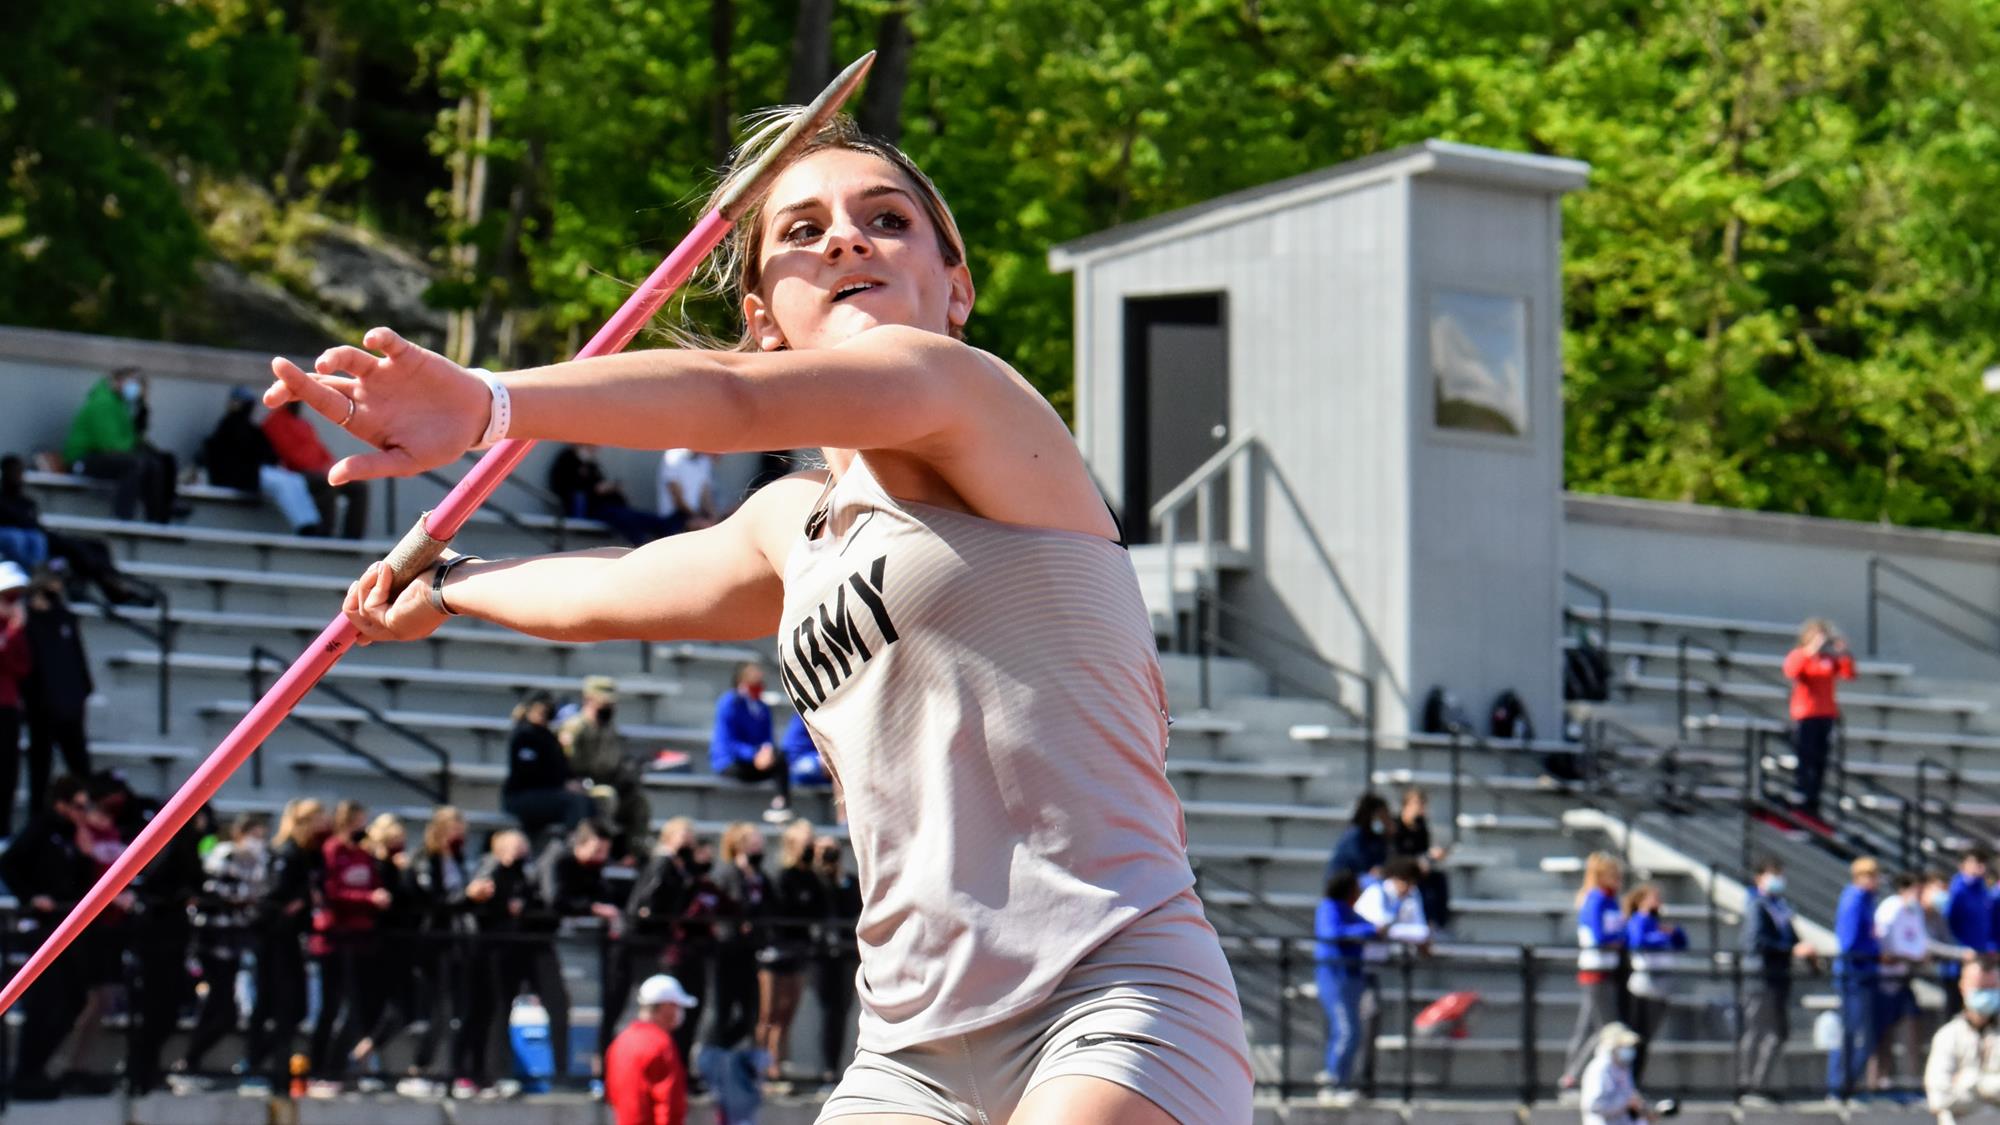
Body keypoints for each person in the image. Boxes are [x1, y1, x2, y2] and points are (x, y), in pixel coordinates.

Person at [296, 107, 1252, 1123]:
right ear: (762, 315)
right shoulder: (788, 527)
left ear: (955, 286)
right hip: (906, 1045)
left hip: (1106, 989)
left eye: (886, 219)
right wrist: (447, 586)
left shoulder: (972, 396)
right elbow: (609, 593)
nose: (844, 237)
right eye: (800, 231)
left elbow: (734, 400)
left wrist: (489, 403)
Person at [0, 776, 107, 1099]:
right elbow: (9, 864)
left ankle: (39, 1068)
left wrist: (87, 854)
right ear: (60, 804)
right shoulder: (42, 828)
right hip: (44, 930)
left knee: (74, 1000)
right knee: (46, 1003)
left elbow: (81, 883)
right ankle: (27, 1074)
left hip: (70, 928)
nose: (82, 812)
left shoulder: (74, 835)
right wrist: (32, 897)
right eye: (77, 806)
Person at [472, 827, 573, 1088]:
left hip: (536, 946)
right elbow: (482, 909)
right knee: (499, 1009)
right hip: (504, 951)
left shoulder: (533, 872)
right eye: (515, 846)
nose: (521, 851)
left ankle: (561, 1072)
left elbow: (549, 904)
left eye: (523, 846)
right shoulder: (490, 871)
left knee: (558, 1004)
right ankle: (498, 1072)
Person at [243, 797, 328, 1090]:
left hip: (291, 940)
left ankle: (271, 1064)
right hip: (274, 941)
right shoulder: (286, 852)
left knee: (295, 1008)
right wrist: (297, 903)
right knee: (272, 1004)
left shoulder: (308, 854)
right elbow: (272, 897)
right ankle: (256, 1064)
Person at [179, 813, 272, 1080]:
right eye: (254, 834)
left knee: (223, 1009)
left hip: (234, 943)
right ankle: (189, 1062)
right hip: (212, 940)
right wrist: (246, 899)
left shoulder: (256, 862)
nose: (258, 841)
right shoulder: (225, 854)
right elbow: (211, 891)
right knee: (220, 1007)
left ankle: (190, 1062)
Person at [310, 799, 390, 1089]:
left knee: (358, 1007)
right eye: (359, 821)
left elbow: (373, 883)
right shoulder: (333, 850)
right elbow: (333, 891)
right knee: (332, 1008)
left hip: (362, 939)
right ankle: (320, 1069)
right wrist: (367, 899)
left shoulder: (364, 853)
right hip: (335, 940)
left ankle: (340, 1067)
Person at [0, 453, 152, 606]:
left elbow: (36, 524)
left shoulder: (27, 502)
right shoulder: (3, 501)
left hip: (44, 538)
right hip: (33, 541)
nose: (18, 477)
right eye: (14, 472)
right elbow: (26, 526)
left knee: (97, 546)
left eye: (20, 472)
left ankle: (110, 581)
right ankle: (108, 585)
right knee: (71, 549)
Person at [405, 806, 476, 1097]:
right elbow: (432, 901)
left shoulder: (458, 860)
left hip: (457, 943)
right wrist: (465, 897)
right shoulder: (425, 860)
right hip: (433, 944)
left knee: (460, 1009)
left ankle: (458, 1072)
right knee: (437, 1010)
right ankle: (420, 1067)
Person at [1738, 858, 1816, 1104]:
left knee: (1778, 1032)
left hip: (1778, 978)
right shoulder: (1756, 906)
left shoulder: (1780, 907)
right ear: (1759, 878)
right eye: (1773, 874)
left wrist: (1802, 949)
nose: (1778, 879)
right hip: (1761, 977)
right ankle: (1749, 1085)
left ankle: (1761, 1083)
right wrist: (1790, 950)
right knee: (1759, 1030)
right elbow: (1756, 943)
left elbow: (1791, 937)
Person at [200, 385, 324, 535]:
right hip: (239, 477)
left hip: (255, 472)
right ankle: (304, 526)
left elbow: (269, 454)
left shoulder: (251, 428)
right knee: (282, 483)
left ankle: (312, 522)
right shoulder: (227, 426)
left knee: (295, 480)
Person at [63, 366, 181, 522]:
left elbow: (134, 437)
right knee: (135, 464)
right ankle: (122, 516)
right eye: (134, 381)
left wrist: (141, 408)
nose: (137, 387)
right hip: (83, 458)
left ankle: (159, 516)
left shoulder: (122, 405)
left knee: (161, 460)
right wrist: (134, 446)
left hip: (106, 453)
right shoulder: (102, 403)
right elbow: (108, 444)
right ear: (117, 380)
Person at [21, 569, 93, 819]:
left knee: (81, 766)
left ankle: (87, 821)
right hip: (41, 708)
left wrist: (84, 690)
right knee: (40, 770)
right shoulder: (26, 621)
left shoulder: (65, 618)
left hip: (71, 705)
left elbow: (79, 660)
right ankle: (37, 821)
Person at [762, 818, 827, 1083]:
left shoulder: (812, 877)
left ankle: (779, 1061)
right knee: (769, 1013)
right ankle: (765, 1063)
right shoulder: (782, 875)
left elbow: (821, 908)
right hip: (776, 953)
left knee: (788, 1012)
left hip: (799, 951)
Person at [561, 674, 651, 857]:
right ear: (589, 700)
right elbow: (564, 764)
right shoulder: (575, 728)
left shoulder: (610, 730)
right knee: (606, 797)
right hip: (582, 786)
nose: (608, 708)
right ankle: (603, 850)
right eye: (603, 703)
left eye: (611, 704)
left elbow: (615, 762)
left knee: (639, 801)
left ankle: (634, 852)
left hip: (609, 782)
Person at [1313, 867, 1381, 1106]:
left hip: (1351, 976)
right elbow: (1332, 933)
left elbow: (1369, 927)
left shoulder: (1348, 910)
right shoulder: (1329, 907)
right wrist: (1370, 930)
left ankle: (1339, 1081)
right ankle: (1334, 1084)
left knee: (1349, 1031)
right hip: (1335, 975)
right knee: (1346, 1031)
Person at [1561, 852, 1629, 1091]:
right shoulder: (1595, 899)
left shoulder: (1612, 900)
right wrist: (1617, 939)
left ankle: (1571, 1074)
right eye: (1614, 874)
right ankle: (1574, 1075)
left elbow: (1621, 933)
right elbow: (1600, 936)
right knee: (1607, 1029)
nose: (1618, 879)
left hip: (1608, 969)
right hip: (1595, 969)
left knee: (1588, 1027)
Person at [1782, 617, 1855, 823]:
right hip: (1806, 714)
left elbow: (1848, 673)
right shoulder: (1800, 655)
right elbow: (1791, 671)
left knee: (1820, 760)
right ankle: (1802, 797)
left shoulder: (1828, 660)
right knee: (1806, 758)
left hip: (1826, 714)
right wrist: (1811, 650)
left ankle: (1814, 801)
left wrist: (1843, 652)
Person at [264, 399, 370, 538]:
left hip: (318, 472)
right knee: (325, 484)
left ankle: (352, 538)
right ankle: (324, 536)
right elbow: (289, 456)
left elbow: (322, 451)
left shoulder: (304, 424)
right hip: (296, 474)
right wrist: (319, 469)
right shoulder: (275, 422)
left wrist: (333, 469)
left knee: (359, 488)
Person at [606, 974, 698, 1125]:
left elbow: (612, 1094)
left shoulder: (620, 1042)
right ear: (665, 1006)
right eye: (677, 1006)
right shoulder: (662, 1044)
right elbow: (669, 1103)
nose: (680, 1012)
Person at [549, 443, 679, 545]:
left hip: (607, 507)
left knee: (638, 516)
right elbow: (568, 488)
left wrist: (610, 489)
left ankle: (667, 534)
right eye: (592, 445)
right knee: (625, 518)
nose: (595, 448)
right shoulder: (566, 460)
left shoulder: (591, 464)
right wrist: (596, 489)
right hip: (588, 509)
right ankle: (642, 545)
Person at [711, 661, 792, 823]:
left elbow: (767, 738)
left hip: (758, 761)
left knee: (781, 757)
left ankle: (781, 803)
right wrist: (754, 755)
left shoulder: (762, 707)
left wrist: (766, 752)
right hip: (731, 762)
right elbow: (730, 743)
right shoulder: (729, 704)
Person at [1832, 856, 1886, 1100]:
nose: (1876, 881)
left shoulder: (1867, 901)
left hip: (1864, 975)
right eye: (1871, 876)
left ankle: (1851, 1085)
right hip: (1854, 976)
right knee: (1851, 1033)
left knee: (1864, 1033)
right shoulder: (1854, 900)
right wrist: (1877, 954)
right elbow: (1849, 943)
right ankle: (1839, 1087)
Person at [504, 689, 593, 835]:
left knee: (589, 801)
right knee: (575, 803)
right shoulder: (523, 735)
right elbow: (527, 774)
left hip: (547, 793)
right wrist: (562, 784)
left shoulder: (548, 736)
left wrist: (574, 782)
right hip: (521, 796)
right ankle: (573, 846)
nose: (546, 712)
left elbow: (561, 768)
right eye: (542, 708)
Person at [1622, 883, 1686, 1083]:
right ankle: (1629, 1081)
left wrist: (1673, 932)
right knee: (1636, 1038)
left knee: (1646, 1038)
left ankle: (1635, 1081)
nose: (1658, 902)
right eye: (1653, 897)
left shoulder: (1658, 922)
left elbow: (1681, 942)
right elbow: (1637, 941)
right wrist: (1662, 934)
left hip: (1661, 986)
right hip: (1644, 986)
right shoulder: (1639, 920)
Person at [1925, 959, 2000, 1125]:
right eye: (1981, 988)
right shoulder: (1947, 1036)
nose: (1987, 994)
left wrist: (1971, 1081)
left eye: (1992, 988)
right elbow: (1939, 1099)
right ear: (1963, 987)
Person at [814, 833, 862, 1084]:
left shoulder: (848, 880)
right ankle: (826, 1066)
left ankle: (837, 1066)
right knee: (827, 1010)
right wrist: (823, 873)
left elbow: (854, 906)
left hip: (845, 953)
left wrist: (840, 876)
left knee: (842, 1011)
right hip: (823, 956)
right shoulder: (815, 880)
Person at [1881, 871, 1936, 1089]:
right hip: (1885, 981)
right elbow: (1885, 949)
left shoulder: (1914, 911)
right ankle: (1879, 1083)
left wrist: (1920, 957)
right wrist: (1910, 957)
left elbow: (1920, 943)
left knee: (1913, 1026)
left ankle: (1912, 1080)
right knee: (1883, 1034)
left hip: (1905, 978)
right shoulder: (1890, 909)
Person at [1390, 784, 1451, 931]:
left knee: (1439, 879)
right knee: (1425, 892)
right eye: (1418, 803)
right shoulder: (1395, 826)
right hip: (1400, 872)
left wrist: (1431, 857)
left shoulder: (1421, 827)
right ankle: (1425, 925)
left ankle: (1438, 925)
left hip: (1417, 870)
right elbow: (1397, 856)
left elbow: (1422, 852)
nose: (1421, 808)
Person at [0, 560, 32, 837]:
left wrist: (13, 632)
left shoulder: (15, 629)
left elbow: (21, 667)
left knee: (7, 771)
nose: (12, 603)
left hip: (8, 706)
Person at [1581, 1022, 1659, 1125]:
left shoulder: (1623, 1066)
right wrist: (1626, 1102)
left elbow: (1628, 1095)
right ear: (1612, 1046)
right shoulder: (1601, 1068)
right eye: (1623, 1045)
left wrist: (1641, 1109)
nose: (1629, 1049)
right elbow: (1594, 1105)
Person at [1950, 850, 1994, 1019]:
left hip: (1981, 957)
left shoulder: (1982, 889)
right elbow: (1952, 924)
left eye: (1982, 863)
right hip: (1961, 959)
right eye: (1975, 863)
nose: (1979, 868)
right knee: (1957, 1007)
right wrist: (1960, 950)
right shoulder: (1959, 890)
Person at [1325, 792, 1392, 884]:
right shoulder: (1354, 836)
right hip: (1345, 886)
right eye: (1382, 816)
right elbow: (1361, 865)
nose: (1385, 819)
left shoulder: (1377, 838)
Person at [658, 448, 720, 533]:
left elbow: (705, 495)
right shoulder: (673, 456)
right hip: (673, 519)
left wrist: (714, 518)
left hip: (694, 517)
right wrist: (698, 519)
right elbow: (677, 498)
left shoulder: (704, 461)